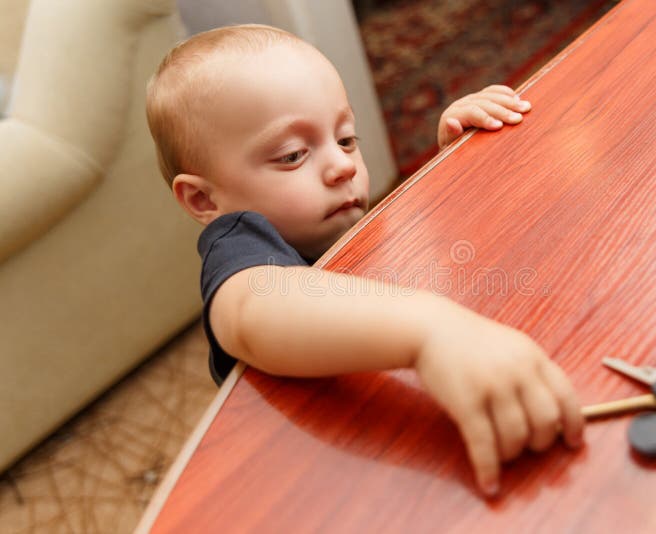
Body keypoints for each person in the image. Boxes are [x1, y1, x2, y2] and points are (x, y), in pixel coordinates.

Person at [145, 24, 584, 497]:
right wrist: (430, 330)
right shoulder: (237, 243)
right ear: (204, 200)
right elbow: (255, 310)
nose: (343, 166)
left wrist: (449, 171)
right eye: (293, 155)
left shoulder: (328, 216)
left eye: (347, 138)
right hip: (318, 476)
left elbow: (404, 254)